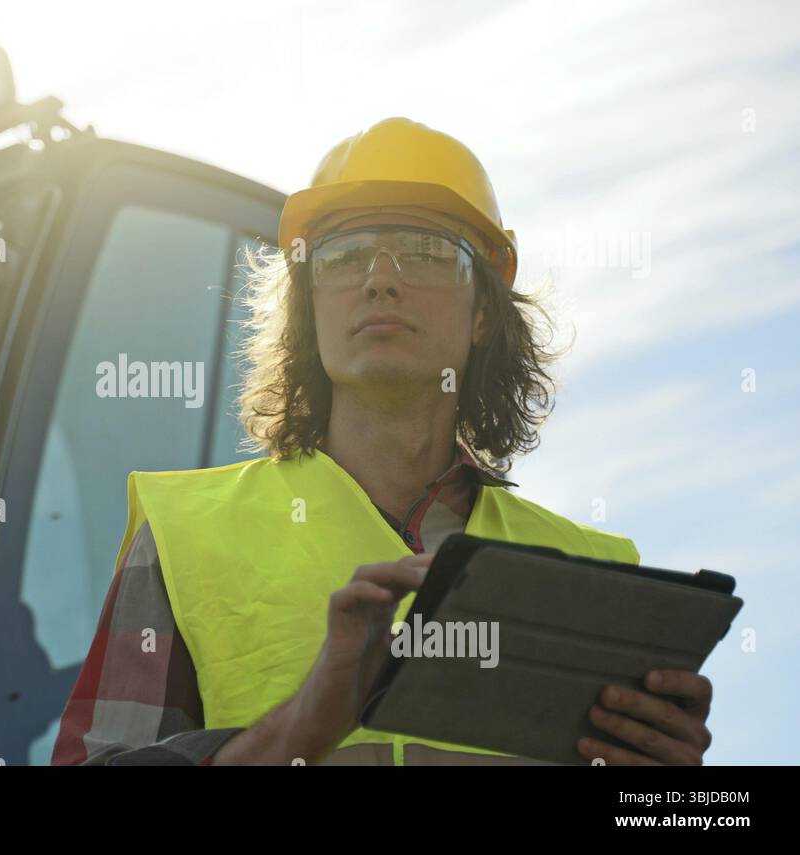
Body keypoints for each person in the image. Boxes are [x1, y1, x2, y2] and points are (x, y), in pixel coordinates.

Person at [51, 118, 714, 766]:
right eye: (343, 255)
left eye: (424, 251)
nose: (379, 278)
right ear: (309, 309)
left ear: (484, 309)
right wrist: (295, 734)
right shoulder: (185, 536)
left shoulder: (593, 572)